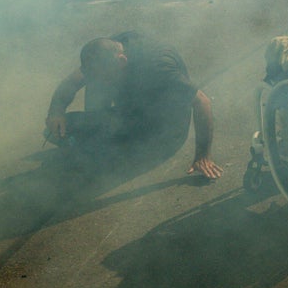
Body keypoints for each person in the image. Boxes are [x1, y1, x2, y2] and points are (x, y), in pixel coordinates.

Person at [45, 31, 222, 179]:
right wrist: (56, 111)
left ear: (121, 61)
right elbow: (74, 81)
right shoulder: (110, 50)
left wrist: (203, 156)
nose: (100, 81)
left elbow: (202, 102)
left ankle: (106, 148)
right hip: (130, 110)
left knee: (99, 158)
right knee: (59, 129)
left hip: (162, 129)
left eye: (103, 76)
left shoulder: (159, 66)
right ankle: (100, 140)